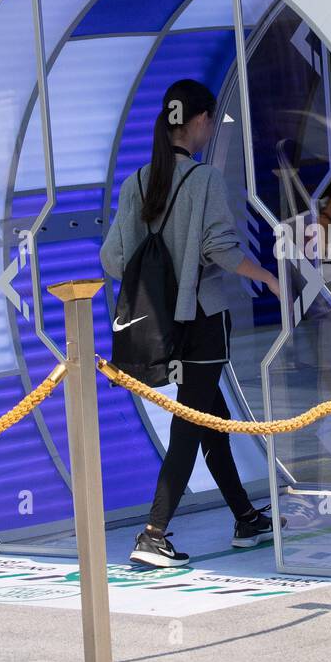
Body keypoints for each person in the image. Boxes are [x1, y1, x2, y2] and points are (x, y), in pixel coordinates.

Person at [102, 79, 283, 568]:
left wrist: (162, 272)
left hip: (159, 324)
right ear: (199, 121)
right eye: (210, 123)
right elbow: (220, 250)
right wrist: (266, 275)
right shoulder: (203, 181)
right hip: (202, 321)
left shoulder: (135, 182)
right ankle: (153, 533)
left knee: (210, 420)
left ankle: (246, 517)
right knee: (191, 424)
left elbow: (114, 258)